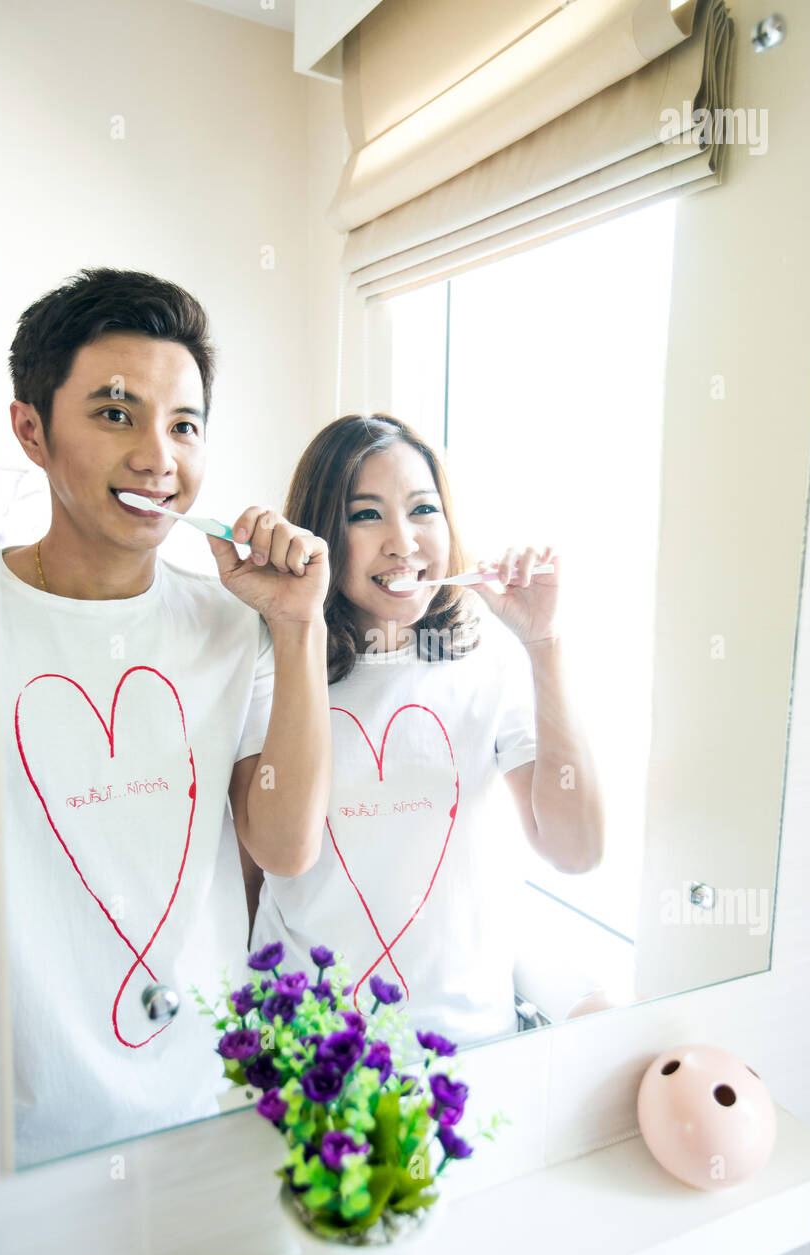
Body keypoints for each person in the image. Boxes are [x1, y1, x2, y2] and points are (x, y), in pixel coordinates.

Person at [0, 268, 332, 1166]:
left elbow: (286, 845)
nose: (159, 457)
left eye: (185, 425)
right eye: (115, 414)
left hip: (207, 1107)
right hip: (22, 1132)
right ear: (31, 430)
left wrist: (295, 627)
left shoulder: (231, 623)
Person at [248, 413, 604, 1046]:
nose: (403, 541)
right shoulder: (270, 661)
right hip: (310, 1049)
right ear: (321, 531)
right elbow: (268, 863)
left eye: (422, 509)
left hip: (466, 1043)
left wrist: (544, 644)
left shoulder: (487, 658)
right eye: (365, 515)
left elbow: (575, 850)